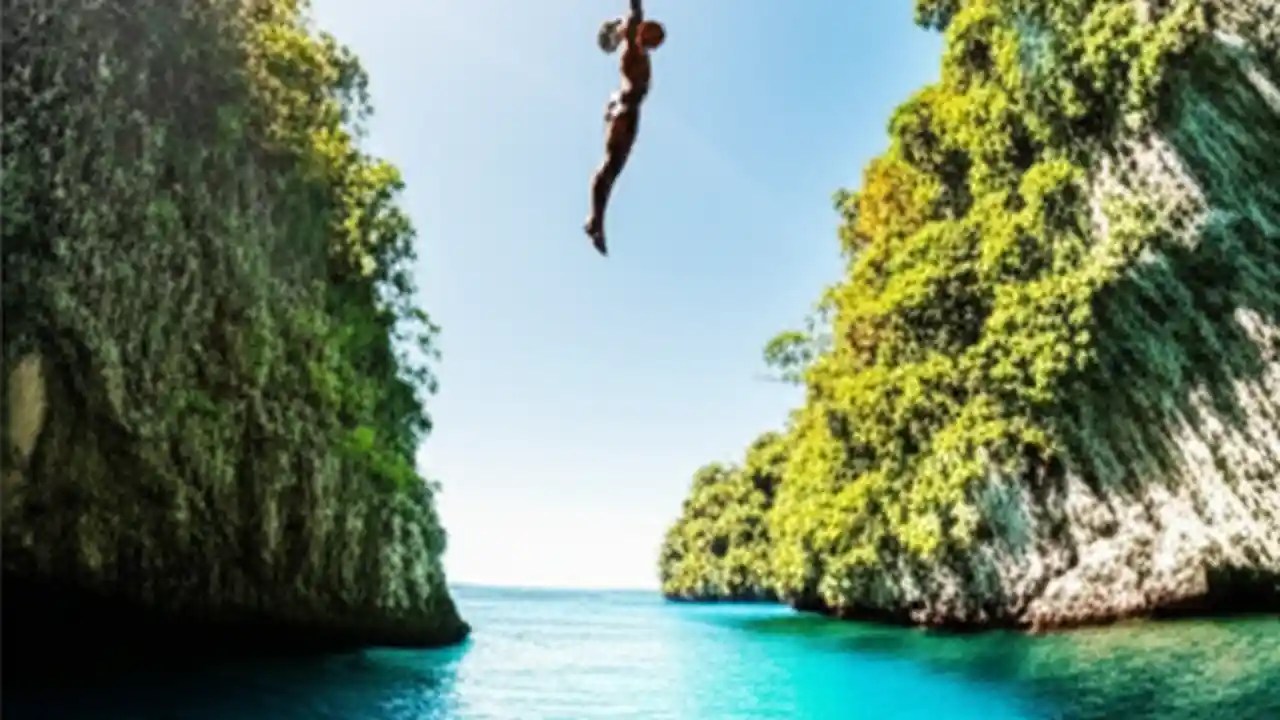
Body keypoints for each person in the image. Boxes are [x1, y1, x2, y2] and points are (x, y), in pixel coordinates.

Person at [584, 0, 666, 256]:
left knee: (614, 169)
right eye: (651, 34)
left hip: (630, 112)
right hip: (624, 109)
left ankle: (596, 220)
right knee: (610, 165)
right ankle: (595, 220)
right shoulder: (632, 40)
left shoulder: (638, 48)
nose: (655, 40)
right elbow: (635, 10)